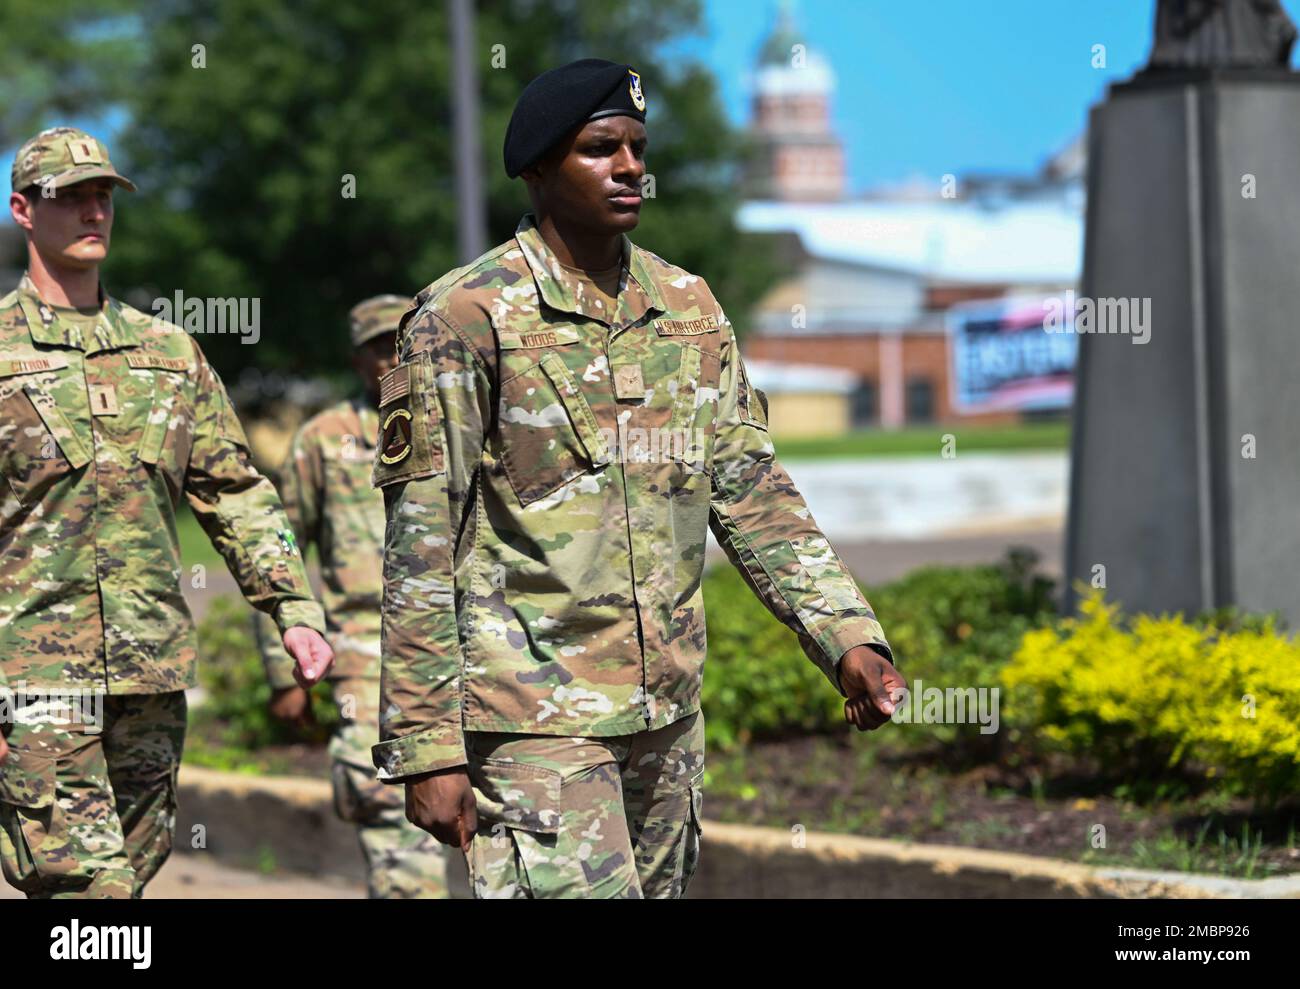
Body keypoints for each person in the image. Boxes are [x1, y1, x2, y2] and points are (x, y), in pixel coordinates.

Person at [370, 60, 905, 899]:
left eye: (637, 148)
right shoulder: (465, 317)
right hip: (532, 723)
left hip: (667, 718)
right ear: (540, 168)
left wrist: (846, 636)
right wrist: (426, 742)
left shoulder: (689, 308)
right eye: (599, 148)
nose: (628, 168)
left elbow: (753, 490)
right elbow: (419, 545)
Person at [0, 127, 333, 899]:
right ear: (23, 209)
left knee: (128, 881)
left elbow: (235, 490)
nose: (92, 211)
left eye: (103, 196)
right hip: (35, 675)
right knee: (88, 886)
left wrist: (293, 607)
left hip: (150, 670)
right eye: (69, 196)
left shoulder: (168, 354)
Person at [256, 295, 468, 898]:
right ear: (357, 360)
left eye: (402, 342)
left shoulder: (465, 423)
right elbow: (282, 552)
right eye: (379, 346)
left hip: (472, 652)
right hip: (365, 660)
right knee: (390, 822)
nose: (392, 356)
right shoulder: (324, 439)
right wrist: (282, 669)